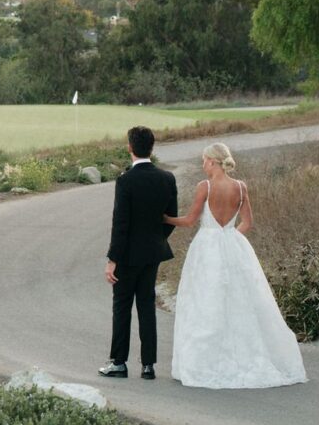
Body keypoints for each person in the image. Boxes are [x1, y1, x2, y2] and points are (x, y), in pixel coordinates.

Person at [164, 142, 306, 389]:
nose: (202, 165)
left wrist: (164, 218)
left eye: (204, 160)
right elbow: (248, 222)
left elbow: (188, 221)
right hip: (233, 245)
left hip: (206, 247)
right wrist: (229, 237)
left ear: (212, 161)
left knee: (205, 302)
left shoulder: (204, 187)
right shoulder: (240, 187)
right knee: (240, 301)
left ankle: (205, 361)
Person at [99, 126, 176, 380]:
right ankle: (148, 366)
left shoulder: (125, 180)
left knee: (122, 307)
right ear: (151, 148)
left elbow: (120, 224)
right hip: (153, 253)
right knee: (146, 306)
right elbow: (170, 218)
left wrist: (112, 260)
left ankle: (119, 363)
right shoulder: (167, 178)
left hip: (128, 256)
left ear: (130, 147)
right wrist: (156, 241)